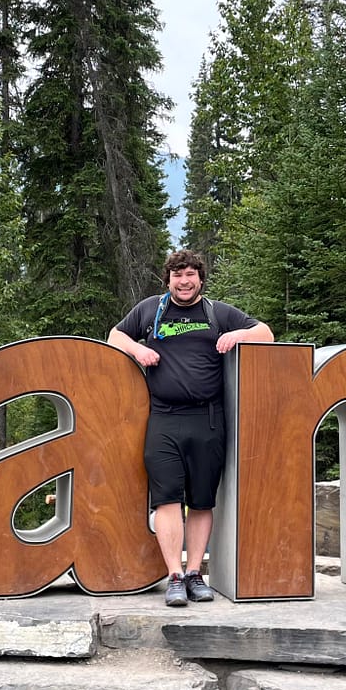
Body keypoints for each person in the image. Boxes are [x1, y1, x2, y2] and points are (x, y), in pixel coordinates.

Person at [107, 250, 274, 607]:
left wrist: (238, 337)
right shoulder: (152, 309)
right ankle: (174, 576)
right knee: (167, 499)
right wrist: (137, 350)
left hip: (208, 419)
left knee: (201, 500)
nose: (184, 282)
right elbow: (114, 336)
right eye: (177, 276)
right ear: (168, 280)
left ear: (200, 278)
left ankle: (196, 573)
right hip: (164, 418)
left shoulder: (218, 312)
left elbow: (266, 333)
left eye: (190, 275)